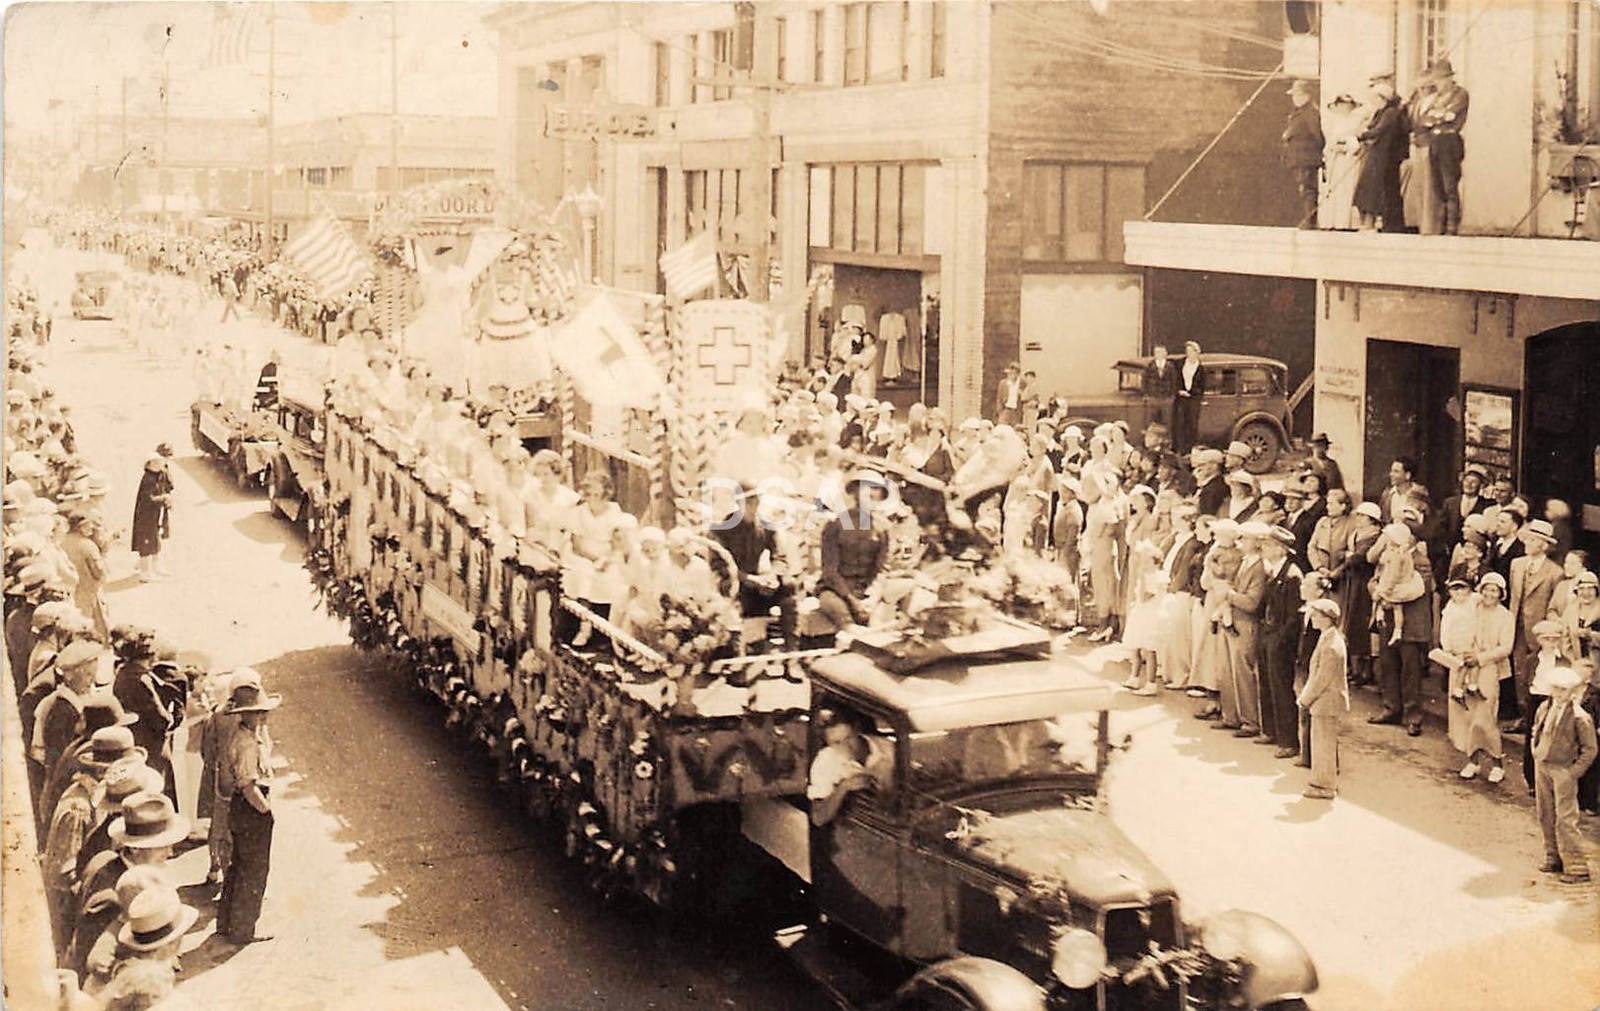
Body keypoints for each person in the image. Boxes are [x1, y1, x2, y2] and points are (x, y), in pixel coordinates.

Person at [217, 681, 280, 944]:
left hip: (239, 808)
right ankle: (243, 929)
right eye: (258, 712)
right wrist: (265, 812)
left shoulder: (244, 736)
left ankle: (227, 922)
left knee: (238, 866)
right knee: (254, 870)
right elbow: (248, 785)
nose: (263, 717)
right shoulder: (247, 744)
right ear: (246, 713)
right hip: (251, 807)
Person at [1435, 574, 1512, 785]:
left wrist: (1481, 657)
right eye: (1486, 590)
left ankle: (1497, 763)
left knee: (1485, 717)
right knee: (1465, 716)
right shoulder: (1472, 607)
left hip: (1488, 667)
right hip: (1464, 663)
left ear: (1501, 594)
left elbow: (1506, 648)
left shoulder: (1505, 616)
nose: (1489, 594)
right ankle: (1472, 760)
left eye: (1494, 591)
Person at [1530, 666, 1597, 885]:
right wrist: (1535, 749)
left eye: (1563, 690)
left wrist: (1573, 772)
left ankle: (1577, 867)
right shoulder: (1544, 708)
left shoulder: (1580, 717)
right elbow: (1536, 729)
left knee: (1566, 818)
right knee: (1545, 813)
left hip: (1563, 770)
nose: (1558, 694)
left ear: (1573, 692)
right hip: (1543, 765)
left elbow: (1590, 749)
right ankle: (1553, 856)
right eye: (1555, 689)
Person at [1368, 520, 1434, 736]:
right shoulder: (1389, 555)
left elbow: (1414, 590)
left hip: (1411, 625)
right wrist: (1376, 590)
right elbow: (1375, 580)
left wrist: (1385, 595)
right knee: (1388, 665)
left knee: (1410, 671)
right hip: (1388, 621)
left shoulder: (1421, 562)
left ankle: (1413, 716)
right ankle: (1391, 708)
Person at [816, 470, 891, 632]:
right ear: (855, 492)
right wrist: (850, 599)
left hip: (867, 591)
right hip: (837, 591)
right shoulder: (836, 525)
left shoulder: (883, 527)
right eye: (866, 488)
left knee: (880, 625)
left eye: (876, 489)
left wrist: (873, 596)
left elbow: (882, 569)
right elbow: (830, 571)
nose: (871, 493)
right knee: (835, 608)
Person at [1257, 526, 1306, 758]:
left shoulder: (1292, 575)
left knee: (1281, 687)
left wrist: (1279, 640)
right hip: (1269, 634)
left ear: (1280, 549)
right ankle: (1271, 730)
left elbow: (1294, 617)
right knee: (1267, 683)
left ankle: (1289, 741)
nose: (1263, 548)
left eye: (1267, 545)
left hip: (1280, 639)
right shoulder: (1275, 571)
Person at [1509, 519, 1566, 719]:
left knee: (1536, 671)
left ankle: (1535, 717)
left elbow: (1553, 604)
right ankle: (1523, 715)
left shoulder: (1555, 573)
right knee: (1519, 671)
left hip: (1539, 632)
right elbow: (1515, 598)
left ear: (1543, 545)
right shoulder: (1517, 564)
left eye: (1532, 540)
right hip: (1516, 628)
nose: (1527, 543)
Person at [1216, 523, 1268, 738]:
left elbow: (1252, 602)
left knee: (1243, 672)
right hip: (1233, 620)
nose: (1240, 542)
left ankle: (1250, 721)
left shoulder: (1260, 568)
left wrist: (1229, 595)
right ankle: (1231, 716)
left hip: (1246, 623)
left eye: (1245, 539)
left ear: (1257, 542)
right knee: (1228, 670)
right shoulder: (1246, 561)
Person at [1297, 598, 1349, 799]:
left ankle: (1324, 786)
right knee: (1321, 743)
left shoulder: (1331, 645)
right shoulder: (1328, 637)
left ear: (1327, 618)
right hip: (1324, 702)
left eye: (1316, 616)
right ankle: (1322, 782)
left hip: (1326, 702)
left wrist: (1305, 699)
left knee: (1323, 745)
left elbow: (1321, 679)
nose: (1313, 619)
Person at [807, 709, 893, 826]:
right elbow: (818, 818)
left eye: (849, 738)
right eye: (837, 743)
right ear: (828, 743)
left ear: (857, 730)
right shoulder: (825, 761)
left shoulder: (889, 748)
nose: (847, 748)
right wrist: (844, 787)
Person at [1419, 58, 1469, 235]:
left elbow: (1451, 116)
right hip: (1435, 141)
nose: (1437, 84)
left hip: (1449, 140)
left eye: (1440, 80)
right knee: (1437, 184)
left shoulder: (1460, 94)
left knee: (1450, 183)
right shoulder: (1437, 98)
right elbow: (1424, 119)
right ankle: (1442, 222)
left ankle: (1451, 224)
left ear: (1449, 79)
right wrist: (1437, 116)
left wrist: (1437, 117)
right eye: (1436, 80)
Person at [1354, 71, 1408, 232]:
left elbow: (1379, 130)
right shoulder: (1381, 112)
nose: (1373, 102)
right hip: (1378, 154)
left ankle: (1389, 224)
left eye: (1375, 98)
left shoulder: (1390, 113)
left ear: (1383, 98)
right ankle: (1381, 222)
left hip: (1385, 156)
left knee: (1383, 190)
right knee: (1377, 189)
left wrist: (1363, 135)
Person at [1281, 79, 1325, 229]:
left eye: (1298, 95)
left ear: (1306, 95)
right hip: (1299, 157)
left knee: (1308, 189)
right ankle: (1308, 219)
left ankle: (1310, 221)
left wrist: (1315, 153)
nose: (1295, 98)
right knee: (1304, 188)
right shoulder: (1299, 112)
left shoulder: (1310, 112)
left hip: (1307, 157)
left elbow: (1317, 135)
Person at [61, 512, 110, 638]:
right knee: (94, 625)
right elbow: (99, 572)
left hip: (69, 591)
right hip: (88, 592)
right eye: (88, 525)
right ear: (80, 527)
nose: (92, 528)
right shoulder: (87, 545)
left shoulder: (61, 542)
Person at [130, 454, 173, 582]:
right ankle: (145, 572)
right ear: (151, 464)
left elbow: (170, 486)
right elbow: (148, 499)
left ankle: (155, 565)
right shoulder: (148, 479)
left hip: (155, 515)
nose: (162, 465)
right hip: (146, 517)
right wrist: (163, 498)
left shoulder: (158, 475)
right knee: (146, 543)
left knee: (156, 539)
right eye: (158, 462)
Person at [1142, 346, 1176, 427]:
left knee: (1167, 421)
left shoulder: (1170, 366)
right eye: (1157, 352)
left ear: (1165, 354)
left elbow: (1174, 382)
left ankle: (1167, 438)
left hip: (1166, 398)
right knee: (1151, 422)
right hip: (1153, 398)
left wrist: (1172, 396)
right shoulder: (1150, 366)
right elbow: (1144, 381)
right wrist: (1147, 395)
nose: (1159, 354)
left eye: (1161, 352)